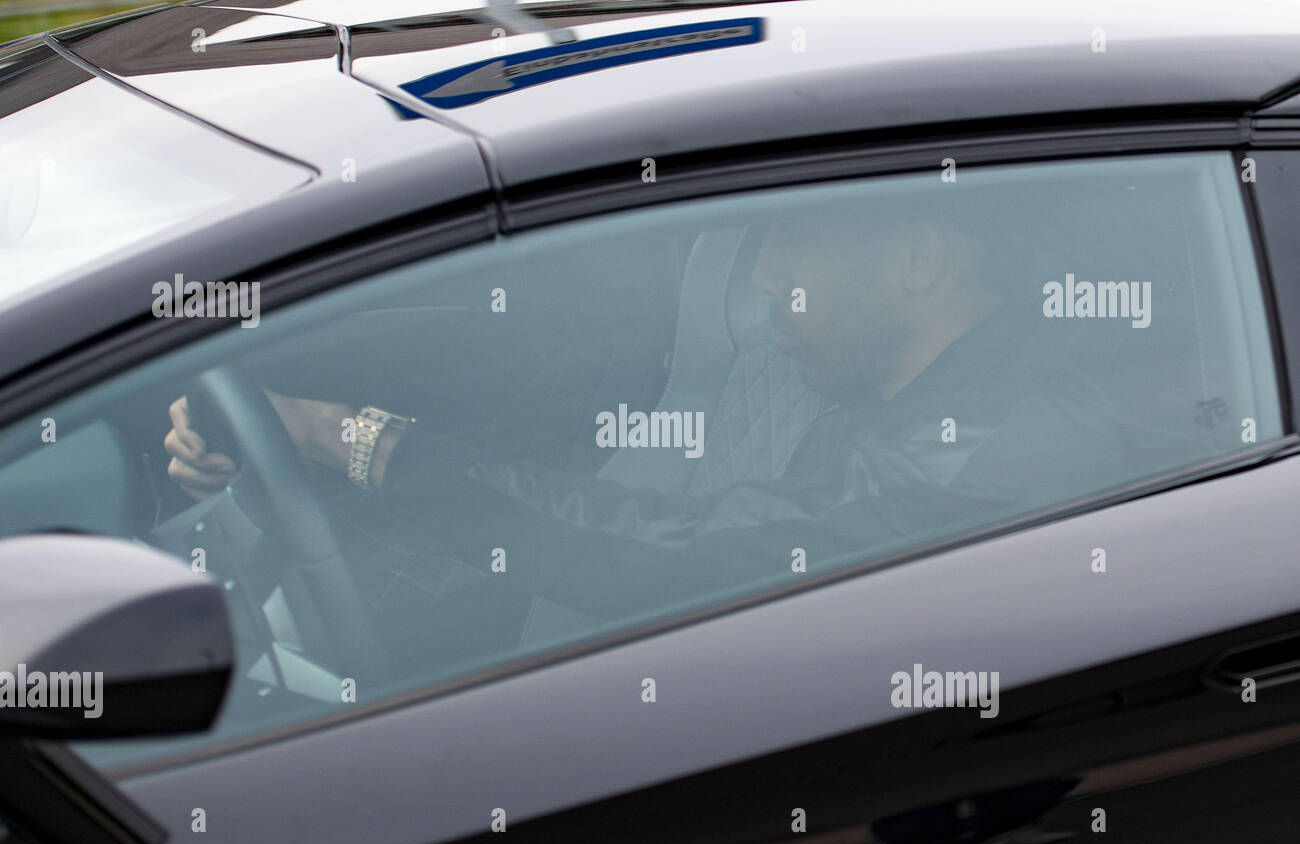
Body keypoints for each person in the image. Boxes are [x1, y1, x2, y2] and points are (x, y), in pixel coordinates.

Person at [163, 204, 1138, 629]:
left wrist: (342, 436)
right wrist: (275, 434)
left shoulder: (973, 451)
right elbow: (534, 417)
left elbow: (674, 546)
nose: (762, 281)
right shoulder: (872, 395)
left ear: (916, 264)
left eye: (791, 242)